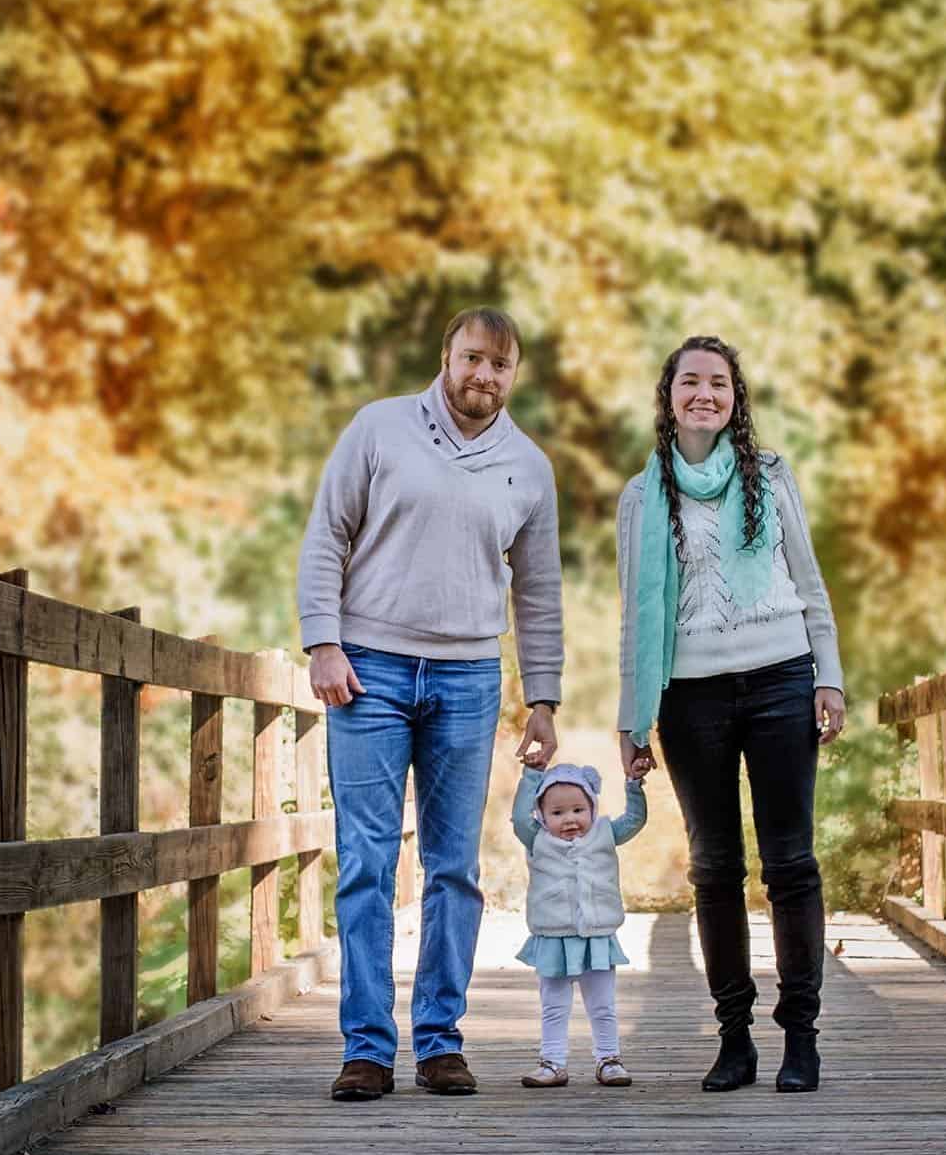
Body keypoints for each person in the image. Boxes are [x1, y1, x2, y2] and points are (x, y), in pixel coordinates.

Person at [298, 306, 563, 1102]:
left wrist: (543, 697)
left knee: (454, 867)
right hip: (369, 671)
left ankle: (441, 1041)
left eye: (500, 365)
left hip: (468, 678)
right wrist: (323, 641)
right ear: (447, 357)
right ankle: (367, 1049)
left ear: (513, 375)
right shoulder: (378, 429)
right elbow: (326, 535)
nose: (484, 375)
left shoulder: (528, 466)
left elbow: (539, 592)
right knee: (368, 862)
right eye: (472, 357)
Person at [615, 334, 846, 1093]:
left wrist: (829, 676)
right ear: (669, 395)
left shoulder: (771, 476)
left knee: (791, 863)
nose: (704, 394)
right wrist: (632, 717)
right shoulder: (641, 497)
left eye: (718, 382)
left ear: (735, 397)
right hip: (691, 695)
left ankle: (801, 1038)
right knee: (714, 867)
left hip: (782, 678)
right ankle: (735, 1039)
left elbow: (809, 580)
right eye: (690, 381)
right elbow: (635, 615)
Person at [509, 760, 647, 1088]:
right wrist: (531, 776)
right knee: (554, 1006)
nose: (569, 819)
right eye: (557, 813)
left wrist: (633, 785)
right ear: (542, 815)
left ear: (592, 807)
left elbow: (635, 820)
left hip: (596, 938)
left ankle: (609, 1059)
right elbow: (518, 819)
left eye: (578, 810)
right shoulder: (537, 838)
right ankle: (552, 1062)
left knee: (602, 1005)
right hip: (553, 939)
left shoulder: (605, 833)